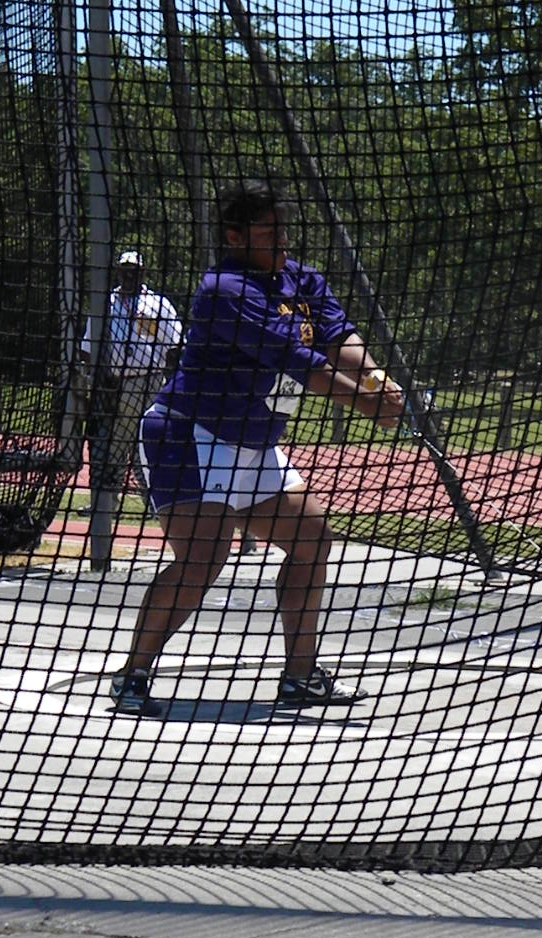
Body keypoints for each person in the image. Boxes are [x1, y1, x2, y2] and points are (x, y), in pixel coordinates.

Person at [109, 179, 405, 714]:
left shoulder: (301, 279)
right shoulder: (224, 289)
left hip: (254, 441)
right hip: (190, 435)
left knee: (312, 538)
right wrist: (364, 404)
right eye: (269, 231)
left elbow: (341, 339)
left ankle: (299, 677)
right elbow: (296, 359)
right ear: (235, 236)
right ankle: (133, 673)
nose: (282, 240)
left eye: (282, 228)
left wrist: (378, 381)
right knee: (205, 555)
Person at [80, 250, 184, 516]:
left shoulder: (157, 304)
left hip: (151, 382)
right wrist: (97, 380)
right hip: (116, 384)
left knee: (145, 442)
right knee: (120, 444)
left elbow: (174, 347)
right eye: (124, 269)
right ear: (117, 271)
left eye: (134, 270)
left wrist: (173, 386)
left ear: (143, 273)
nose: (128, 274)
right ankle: (109, 503)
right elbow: (88, 349)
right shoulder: (105, 303)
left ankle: (150, 502)